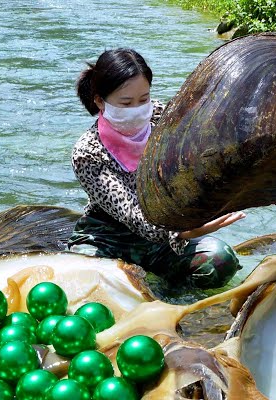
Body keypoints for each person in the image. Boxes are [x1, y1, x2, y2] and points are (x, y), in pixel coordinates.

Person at [67, 48, 246, 289]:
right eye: (126, 102)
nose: (138, 109)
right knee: (88, 282)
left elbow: (218, 130)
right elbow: (133, 214)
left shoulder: (161, 117)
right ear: (100, 101)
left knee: (219, 261)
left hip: (165, 238)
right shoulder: (87, 152)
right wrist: (183, 232)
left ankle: (170, 293)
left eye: (144, 99)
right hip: (108, 239)